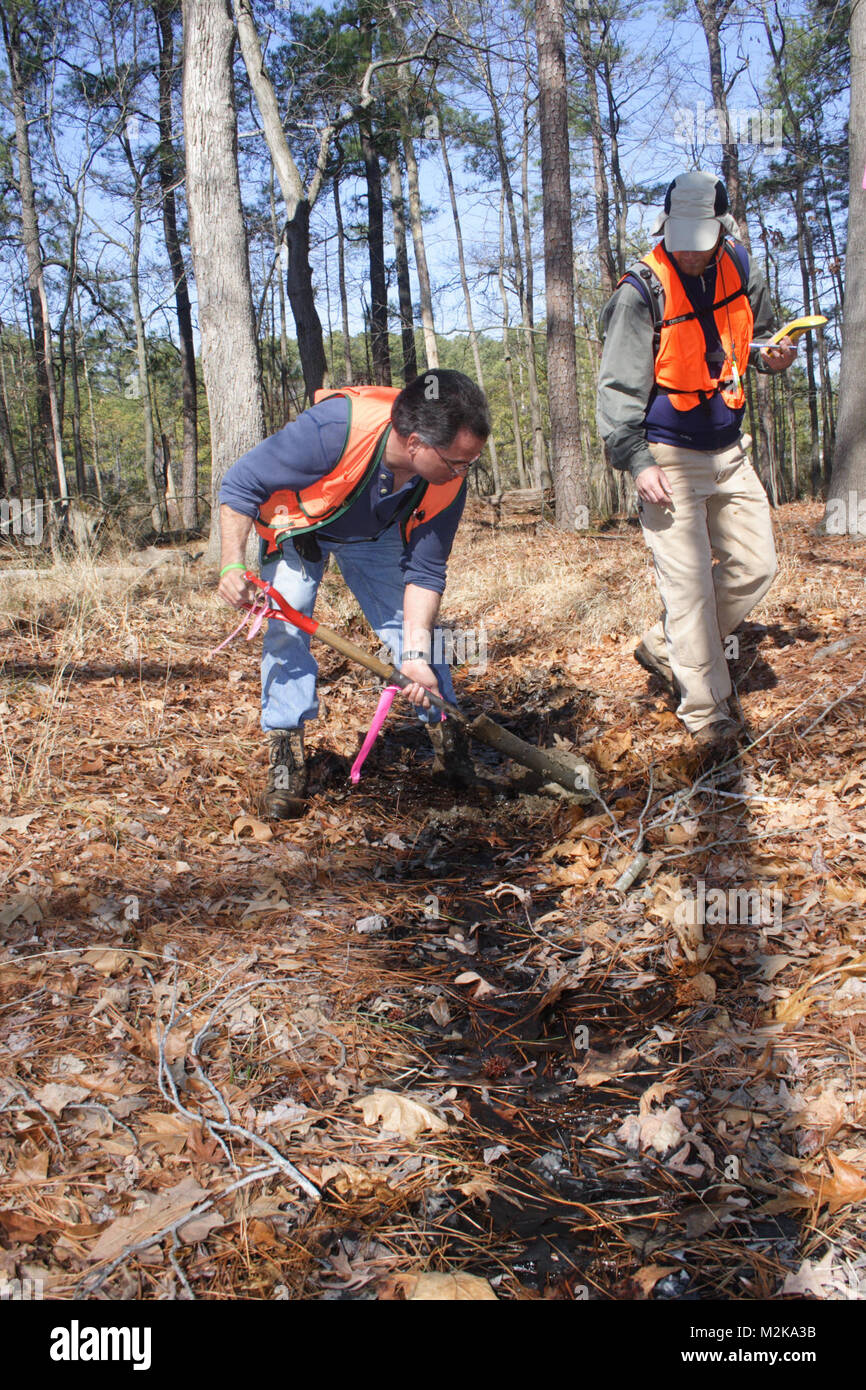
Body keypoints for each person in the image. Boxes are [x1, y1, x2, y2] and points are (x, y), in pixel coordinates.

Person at [217, 369, 490, 817]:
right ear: (417, 442)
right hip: (300, 525)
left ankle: (452, 749)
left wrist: (415, 655)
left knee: (416, 634)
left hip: (374, 533)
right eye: (456, 461)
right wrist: (232, 563)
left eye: (470, 462)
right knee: (287, 630)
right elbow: (240, 484)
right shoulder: (334, 429)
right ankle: (286, 762)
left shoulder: (448, 476)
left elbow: (425, 570)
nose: (463, 471)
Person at [597, 170, 797, 749]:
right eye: (678, 235)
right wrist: (638, 461)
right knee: (689, 591)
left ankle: (666, 644)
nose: (688, 249)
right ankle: (706, 716)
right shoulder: (640, 292)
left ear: (721, 229)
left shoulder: (740, 264)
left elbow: (750, 340)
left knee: (756, 565)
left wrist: (771, 358)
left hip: (730, 448)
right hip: (667, 456)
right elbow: (615, 393)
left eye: (700, 237)